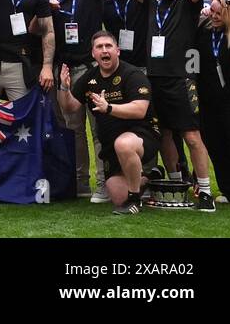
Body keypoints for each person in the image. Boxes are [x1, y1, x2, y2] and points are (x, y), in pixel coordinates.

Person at [109, 0, 214, 210]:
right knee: (165, 134)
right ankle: (176, 183)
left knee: (191, 136)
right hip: (153, 77)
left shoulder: (187, 3)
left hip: (181, 78)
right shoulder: (152, 1)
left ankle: (204, 191)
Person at [59, 32, 160, 216]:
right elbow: (70, 107)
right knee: (118, 196)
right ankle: (149, 178)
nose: (104, 50)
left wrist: (109, 108)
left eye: (108, 46)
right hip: (111, 145)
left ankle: (135, 200)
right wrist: (64, 88)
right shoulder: (90, 78)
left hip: (141, 135)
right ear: (93, 54)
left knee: (124, 144)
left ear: (118, 51)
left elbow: (140, 110)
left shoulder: (132, 74)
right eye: (99, 47)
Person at [49, 0, 109, 199]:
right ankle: (80, 184)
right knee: (73, 130)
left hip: (92, 68)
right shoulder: (56, 2)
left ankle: (104, 185)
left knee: (98, 129)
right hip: (68, 70)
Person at [195, 0, 230, 205]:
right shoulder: (204, 31)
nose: (213, 16)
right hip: (208, 99)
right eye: (211, 11)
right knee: (216, 144)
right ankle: (229, 189)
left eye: (218, 13)